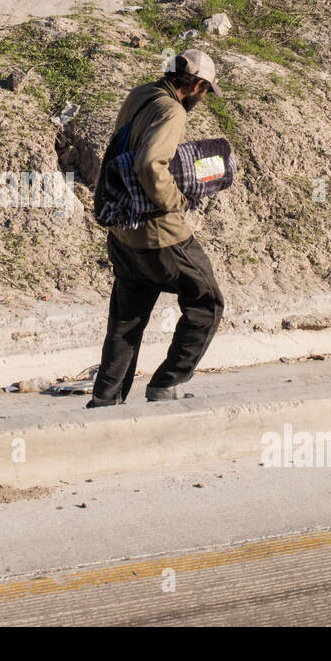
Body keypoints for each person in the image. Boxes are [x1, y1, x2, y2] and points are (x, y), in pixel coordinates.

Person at [86, 49, 226, 409]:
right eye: (205, 90)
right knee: (206, 302)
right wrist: (174, 201)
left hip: (123, 229)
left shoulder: (141, 94)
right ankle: (168, 382)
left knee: (126, 320)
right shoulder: (173, 110)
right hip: (160, 235)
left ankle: (106, 399)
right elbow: (151, 163)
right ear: (195, 84)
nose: (204, 98)